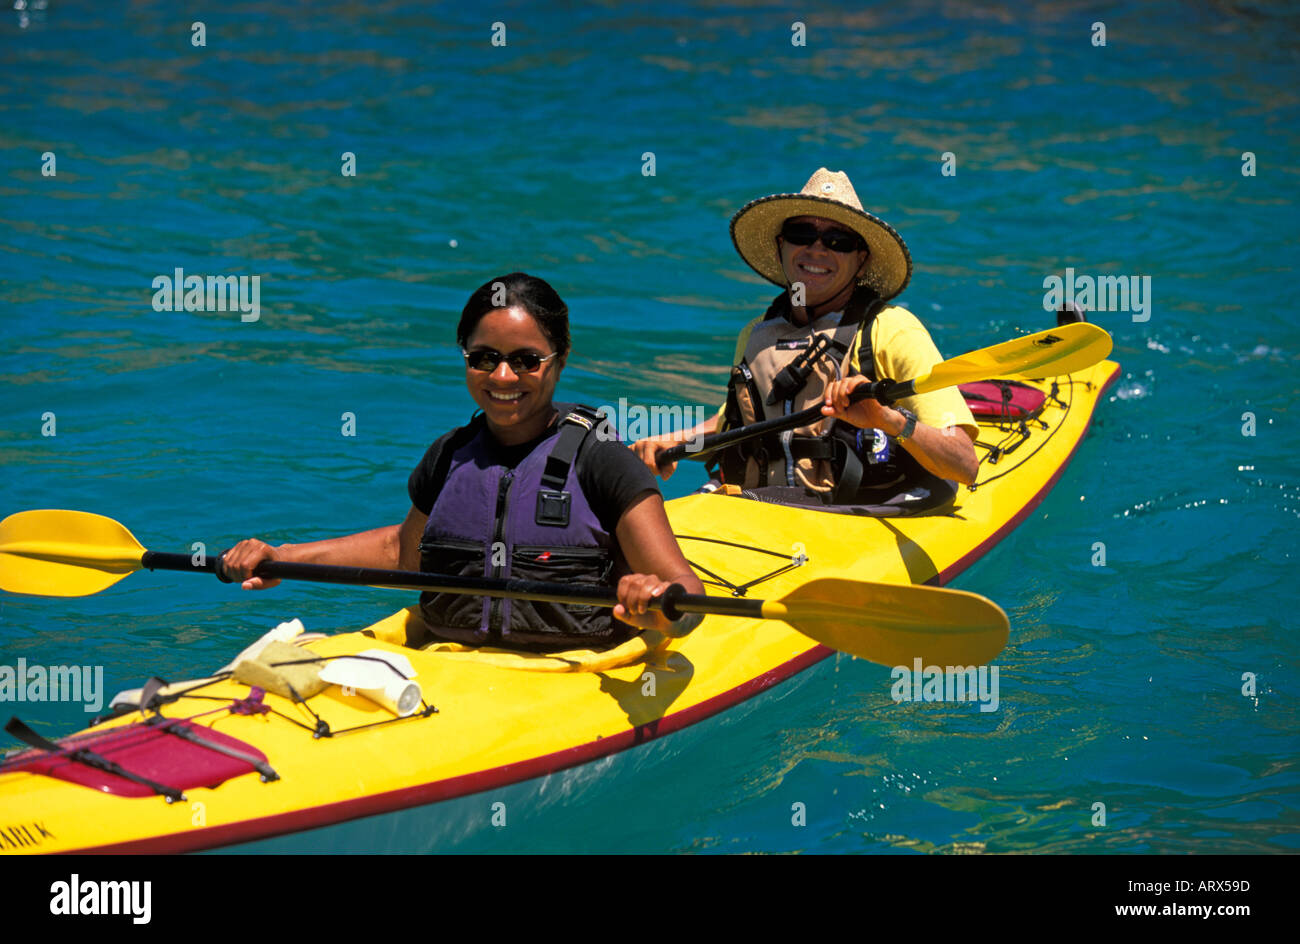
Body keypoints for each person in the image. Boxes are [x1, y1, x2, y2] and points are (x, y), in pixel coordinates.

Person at [222, 272, 705, 651]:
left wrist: (658, 607)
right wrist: (285, 557)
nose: (502, 375)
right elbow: (404, 554)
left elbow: (687, 589)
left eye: (526, 360)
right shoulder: (450, 455)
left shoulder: (602, 459)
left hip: (572, 669)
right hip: (449, 662)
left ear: (560, 360)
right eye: (483, 357)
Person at [632, 168, 978, 514]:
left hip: (854, 517)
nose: (816, 249)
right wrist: (675, 439)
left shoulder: (892, 331)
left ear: (861, 261)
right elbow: (732, 423)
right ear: (782, 246)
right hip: (762, 509)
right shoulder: (757, 335)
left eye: (838, 241)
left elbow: (964, 464)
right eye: (801, 234)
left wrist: (888, 420)